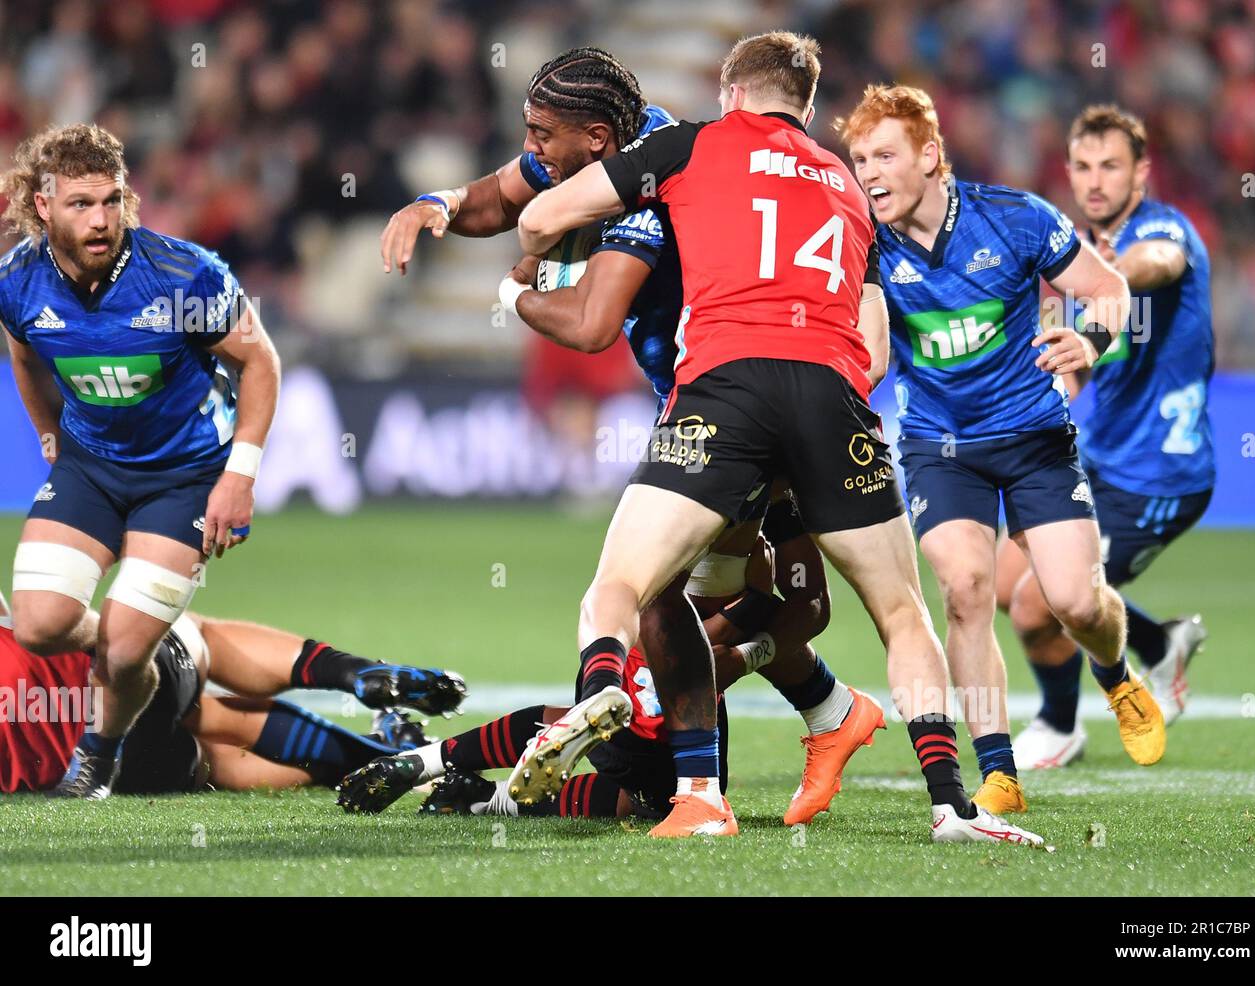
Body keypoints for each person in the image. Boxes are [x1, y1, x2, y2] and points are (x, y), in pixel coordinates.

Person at [514, 32, 1043, 845]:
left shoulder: (691, 144)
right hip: (832, 393)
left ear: (731, 92)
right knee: (904, 614)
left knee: (624, 588)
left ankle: (649, 739)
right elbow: (875, 351)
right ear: (805, 105)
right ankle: (951, 806)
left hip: (723, 389)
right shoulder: (847, 185)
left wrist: (537, 270)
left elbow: (545, 211)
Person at [384, 46, 883, 826]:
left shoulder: (650, 188)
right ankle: (788, 727)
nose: (531, 148)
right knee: (727, 603)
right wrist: (439, 206)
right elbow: (501, 196)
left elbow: (589, 323)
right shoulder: (602, 150)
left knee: (730, 604)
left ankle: (685, 757)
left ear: (596, 141)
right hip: (723, 404)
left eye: (542, 133)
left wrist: (515, 294)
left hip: (732, 406)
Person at [837, 85, 1156, 816]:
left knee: (1075, 602)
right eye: (859, 160)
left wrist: (1092, 339)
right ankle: (1000, 771)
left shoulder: (1013, 218)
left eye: (885, 155)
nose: (870, 174)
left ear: (929, 155)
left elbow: (1106, 288)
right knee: (965, 588)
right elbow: (875, 349)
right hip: (939, 447)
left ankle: (1114, 674)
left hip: (1034, 436)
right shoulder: (866, 242)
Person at [0, 123, 281, 797]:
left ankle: (98, 752)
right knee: (38, 626)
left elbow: (261, 363)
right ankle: (148, 631)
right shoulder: (18, 280)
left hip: (183, 476)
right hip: (91, 467)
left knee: (126, 652)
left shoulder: (185, 275)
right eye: (80, 205)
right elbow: (25, 351)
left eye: (110, 201)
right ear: (44, 207)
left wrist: (238, 478)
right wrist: (48, 435)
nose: (100, 221)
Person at [337, 506, 885, 826]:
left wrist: (741, 656)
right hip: (681, 669)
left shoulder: (752, 478)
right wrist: (739, 641)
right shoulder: (716, 469)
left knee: (612, 684)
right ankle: (488, 793)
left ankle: (442, 769)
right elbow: (782, 603)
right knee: (643, 771)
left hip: (673, 661)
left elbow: (807, 603)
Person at [996, 105, 1215, 770]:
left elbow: (1158, 262)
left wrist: (1116, 269)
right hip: (1098, 457)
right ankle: (1158, 640)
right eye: (1084, 166)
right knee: (1008, 583)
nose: (1095, 181)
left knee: (1040, 606)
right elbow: (1075, 366)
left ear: (1141, 173)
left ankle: (1060, 725)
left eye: (1111, 166)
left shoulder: (1158, 232)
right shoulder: (1074, 258)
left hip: (1160, 477)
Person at [0, 586, 466, 795]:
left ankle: (384, 754)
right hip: (120, 682)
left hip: (117, 771)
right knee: (193, 634)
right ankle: (352, 673)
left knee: (214, 760)